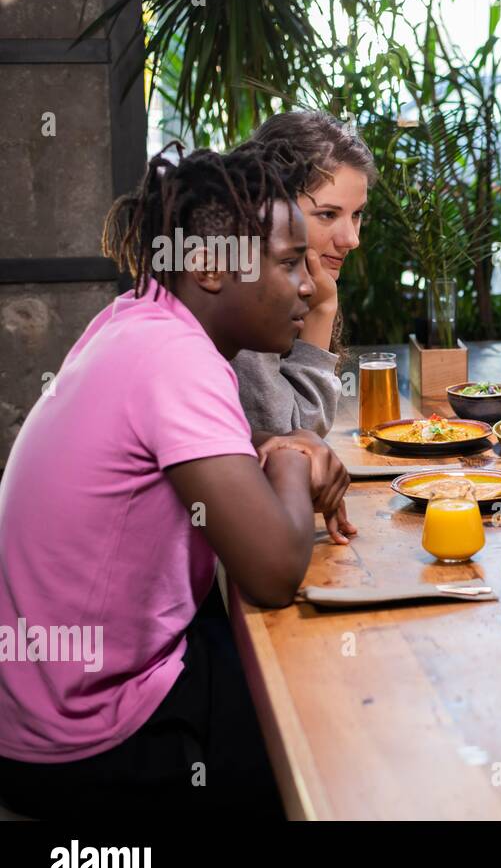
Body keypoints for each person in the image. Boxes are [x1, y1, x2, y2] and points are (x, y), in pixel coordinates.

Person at [0, 141, 351, 816]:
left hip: (36, 704)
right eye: (287, 263)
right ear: (209, 268)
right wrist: (287, 457)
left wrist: (279, 443)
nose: (310, 285)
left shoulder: (137, 319)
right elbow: (275, 571)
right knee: (322, 721)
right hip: (87, 740)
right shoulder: (175, 357)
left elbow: (201, 446)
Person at [231, 111, 374, 438]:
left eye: (357, 215)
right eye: (327, 214)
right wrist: (322, 312)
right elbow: (292, 440)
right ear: (269, 206)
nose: (351, 239)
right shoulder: (240, 290)